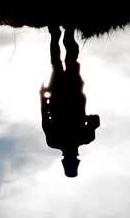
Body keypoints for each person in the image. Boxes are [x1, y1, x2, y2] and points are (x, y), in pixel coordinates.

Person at [39, 25, 101, 177]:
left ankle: (59, 32)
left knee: (59, 63)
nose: (71, 154)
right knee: (67, 61)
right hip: (72, 94)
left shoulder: (56, 141)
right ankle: (67, 31)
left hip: (60, 95)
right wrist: (86, 119)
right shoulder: (86, 137)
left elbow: (45, 119)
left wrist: (43, 98)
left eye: (70, 158)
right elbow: (96, 120)